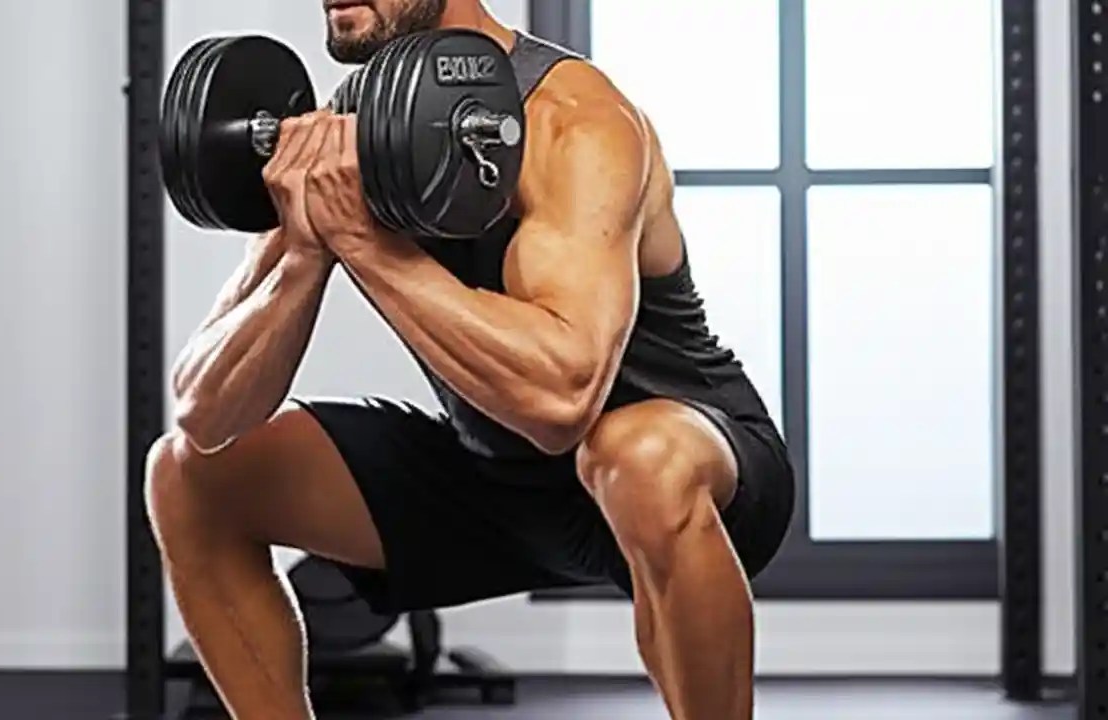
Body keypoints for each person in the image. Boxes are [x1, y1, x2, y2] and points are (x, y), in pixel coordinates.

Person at [147, 1, 795, 718]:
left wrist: (363, 243)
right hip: (499, 479)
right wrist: (306, 250)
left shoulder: (574, 121)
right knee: (188, 476)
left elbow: (561, 403)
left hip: (687, 466)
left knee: (633, 455)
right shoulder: (345, 132)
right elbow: (204, 413)